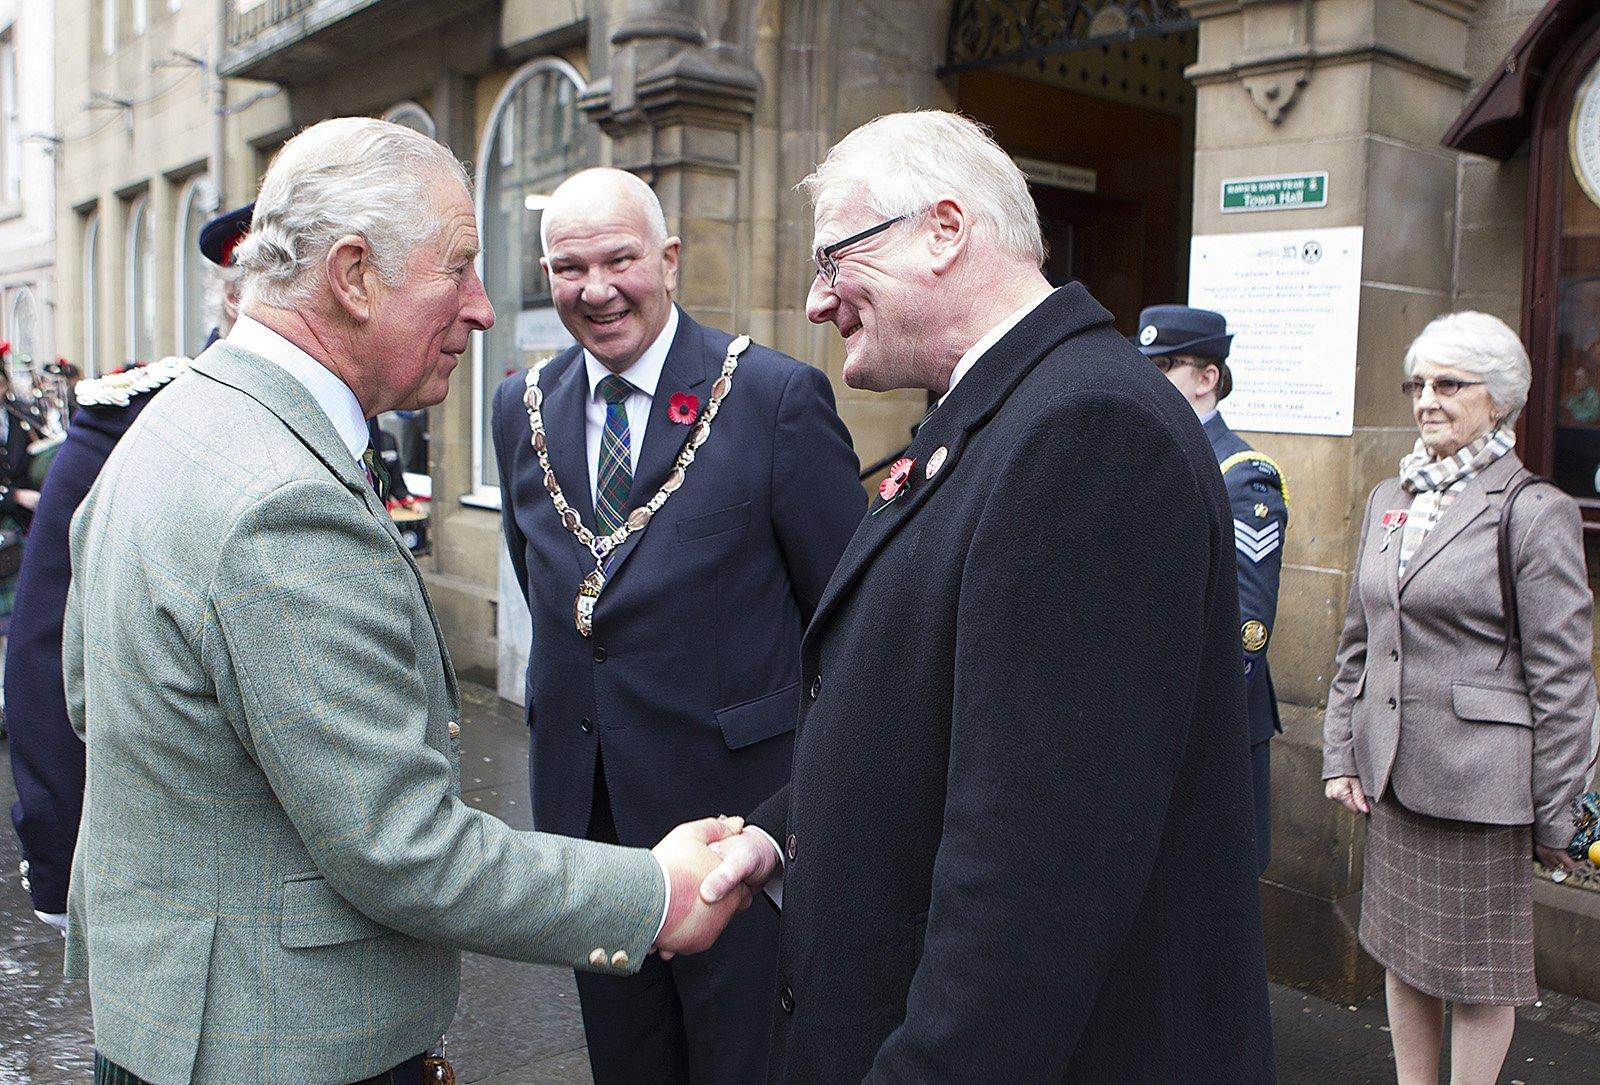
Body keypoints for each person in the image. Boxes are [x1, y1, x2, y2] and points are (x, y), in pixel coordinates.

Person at [61, 117, 750, 1085]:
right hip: (280, 1045)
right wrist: (653, 892)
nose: (481, 309)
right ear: (353, 276)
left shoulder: (171, 424)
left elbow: (93, 697)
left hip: (171, 1023)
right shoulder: (281, 499)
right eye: (459, 268)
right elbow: (403, 846)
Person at [700, 110, 1275, 1081]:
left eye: (833, 260)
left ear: (945, 229)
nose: (814, 302)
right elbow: (950, 724)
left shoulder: (1084, 429)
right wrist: (782, 831)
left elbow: (1036, 874)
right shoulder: (1004, 410)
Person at [490, 167, 864, 1084]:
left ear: (669, 259)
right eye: (569, 267)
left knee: (740, 1061)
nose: (596, 288)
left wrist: (800, 818)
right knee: (625, 1058)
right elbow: (568, 599)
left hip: (729, 822)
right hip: (588, 824)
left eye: (620, 259)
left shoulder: (773, 398)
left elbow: (852, 625)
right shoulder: (519, 408)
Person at [1321, 311, 1597, 1085]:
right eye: (1418, 383)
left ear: (1500, 397)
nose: (1427, 399)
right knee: (1404, 955)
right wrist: (1341, 749)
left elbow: (1565, 680)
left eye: (1450, 383)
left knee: (1479, 977)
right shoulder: (1388, 496)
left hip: (1482, 789)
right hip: (1395, 780)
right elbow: (1359, 639)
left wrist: (1559, 814)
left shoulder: (1532, 510)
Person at [7, 199, 255, 931]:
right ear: (234, 298)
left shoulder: (351, 418)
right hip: (183, 861)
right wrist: (60, 852)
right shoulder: (133, 416)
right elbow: (48, 642)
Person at [1140, 303, 1288, 873]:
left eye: (1166, 366)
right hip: (1162, 713)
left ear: (1208, 378)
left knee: (1215, 884)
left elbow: (1246, 624)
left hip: (1213, 718)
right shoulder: (1161, 451)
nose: (1150, 379)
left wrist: (1195, 717)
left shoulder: (1241, 471)